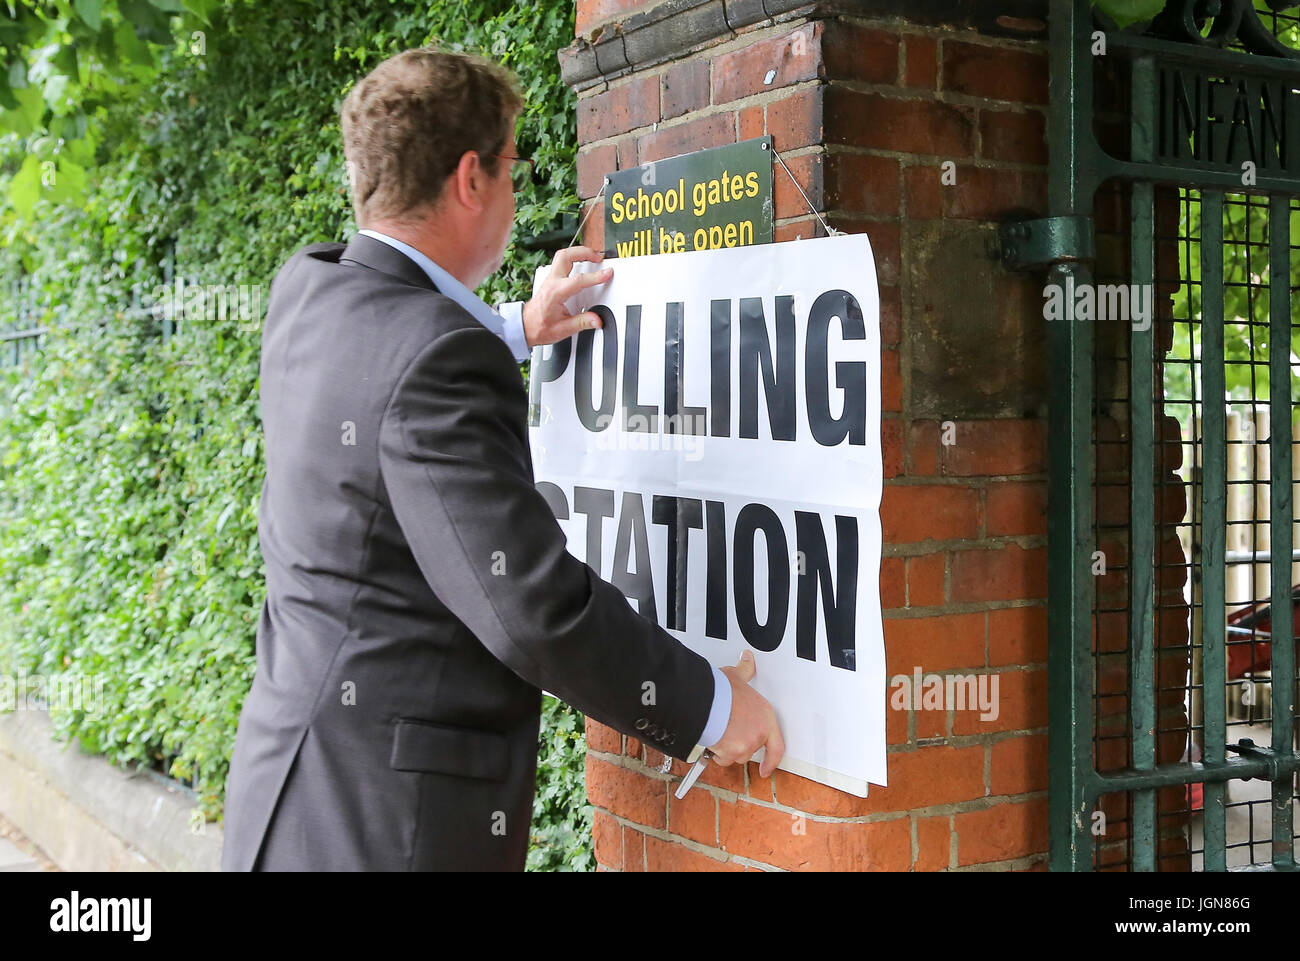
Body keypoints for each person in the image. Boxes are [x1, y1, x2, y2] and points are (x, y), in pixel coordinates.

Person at [220, 46, 784, 871]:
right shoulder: (435, 355)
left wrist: (519, 325)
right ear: (469, 179)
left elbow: (388, 370)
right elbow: (533, 607)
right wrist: (707, 705)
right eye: (512, 170)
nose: (516, 195)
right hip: (388, 827)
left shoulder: (308, 291)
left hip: (290, 791)